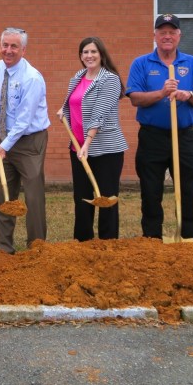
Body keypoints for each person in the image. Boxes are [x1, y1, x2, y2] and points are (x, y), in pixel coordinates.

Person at [126, 14, 193, 240]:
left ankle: (189, 239)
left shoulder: (192, 63)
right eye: (162, 32)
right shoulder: (141, 63)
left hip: (184, 138)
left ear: (179, 35)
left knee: (188, 191)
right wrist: (162, 93)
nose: (167, 36)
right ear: (155, 35)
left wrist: (188, 94)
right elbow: (135, 97)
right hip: (152, 138)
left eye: (172, 32)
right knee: (151, 193)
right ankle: (153, 241)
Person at [0, 27, 50, 254]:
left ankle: (36, 247)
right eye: (5, 45)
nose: (8, 50)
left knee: (33, 197)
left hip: (29, 142)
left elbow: (24, 120)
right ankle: (5, 248)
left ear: (23, 49)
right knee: (3, 195)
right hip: (5, 139)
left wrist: (4, 146)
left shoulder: (32, 78)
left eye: (14, 46)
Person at [57, 37, 128, 241]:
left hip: (106, 150)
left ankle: (108, 244)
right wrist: (65, 112)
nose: (89, 56)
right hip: (78, 148)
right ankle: (83, 243)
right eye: (85, 52)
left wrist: (87, 143)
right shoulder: (78, 77)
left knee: (106, 198)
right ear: (80, 56)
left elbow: (100, 113)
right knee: (82, 199)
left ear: (101, 54)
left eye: (93, 52)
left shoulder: (110, 80)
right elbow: (71, 103)